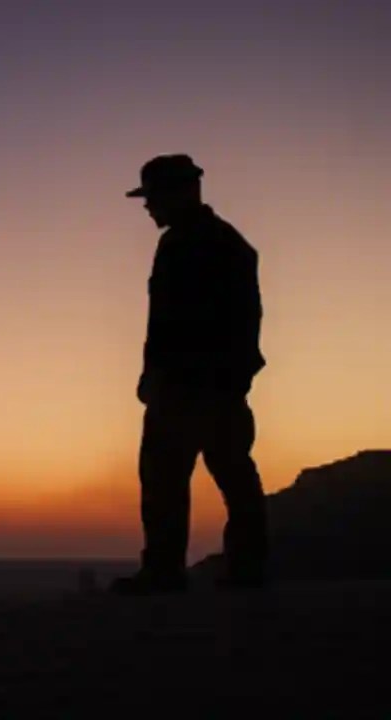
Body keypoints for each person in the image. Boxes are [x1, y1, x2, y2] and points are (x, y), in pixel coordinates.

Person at [110, 154, 269, 595]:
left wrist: (229, 377)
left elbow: (240, 318)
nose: (148, 208)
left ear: (179, 192)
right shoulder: (198, 242)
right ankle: (233, 570)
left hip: (196, 387)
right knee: (212, 477)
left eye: (152, 197)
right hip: (190, 385)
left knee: (200, 477)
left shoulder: (216, 246)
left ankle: (183, 572)